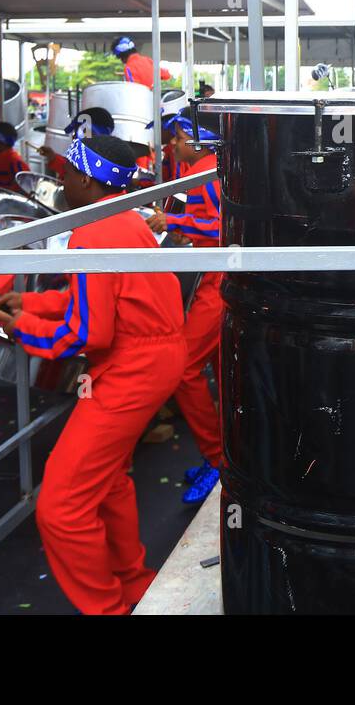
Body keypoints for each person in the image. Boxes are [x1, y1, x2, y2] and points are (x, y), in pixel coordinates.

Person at [0, 134, 186, 615]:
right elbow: (104, 298)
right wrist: (34, 302)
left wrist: (25, 328)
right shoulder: (124, 220)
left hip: (132, 368)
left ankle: (107, 608)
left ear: (84, 179)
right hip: (152, 358)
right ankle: (134, 582)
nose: (59, 180)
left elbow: (87, 334)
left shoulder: (93, 232)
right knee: (111, 479)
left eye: (65, 172)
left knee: (60, 509)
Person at [147, 112, 225, 504]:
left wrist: (172, 219)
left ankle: (217, 461)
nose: (172, 145)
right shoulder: (206, 169)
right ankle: (226, 458)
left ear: (196, 141)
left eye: (177, 138)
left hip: (220, 280)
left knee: (186, 369)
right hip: (215, 277)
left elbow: (223, 228)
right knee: (217, 369)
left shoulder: (205, 172)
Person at [38, 106, 116, 179]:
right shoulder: (82, 158)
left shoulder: (104, 165)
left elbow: (73, 174)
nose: (74, 138)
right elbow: (69, 170)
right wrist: (52, 156)